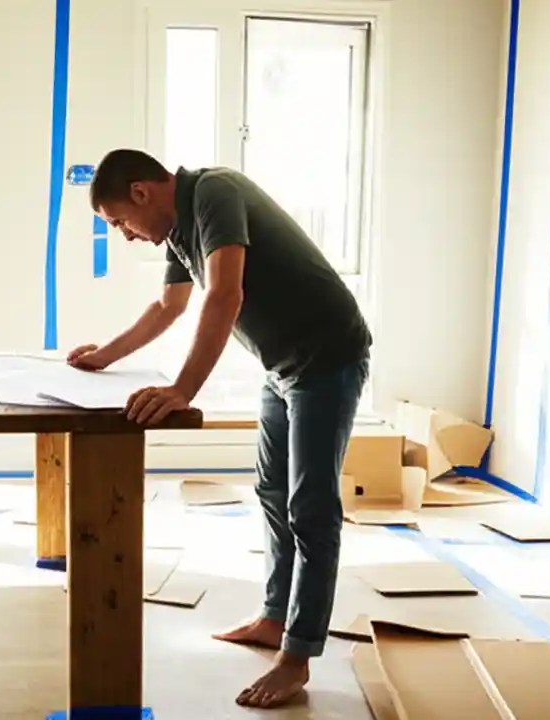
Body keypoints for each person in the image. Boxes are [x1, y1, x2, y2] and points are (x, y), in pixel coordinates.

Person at [66, 148, 371, 709]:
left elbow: (226, 294)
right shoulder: (178, 228)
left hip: (326, 359)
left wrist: (182, 391)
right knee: (273, 493)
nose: (126, 236)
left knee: (312, 508)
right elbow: (167, 306)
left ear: (141, 193)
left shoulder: (214, 194)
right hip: (283, 366)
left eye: (118, 223)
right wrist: (103, 356)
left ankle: (297, 657)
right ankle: (275, 618)